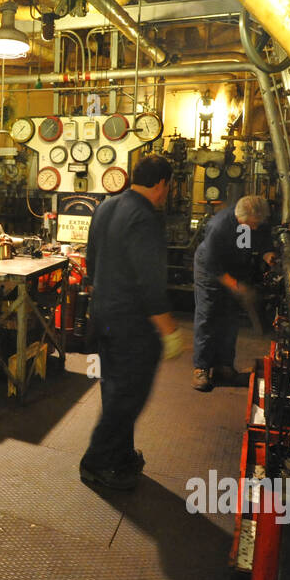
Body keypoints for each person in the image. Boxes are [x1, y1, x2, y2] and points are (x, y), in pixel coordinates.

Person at [80, 154, 184, 491]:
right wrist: (169, 330)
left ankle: (120, 456)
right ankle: (96, 463)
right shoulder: (146, 218)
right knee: (128, 395)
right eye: (168, 186)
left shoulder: (106, 207)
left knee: (114, 389)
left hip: (103, 315)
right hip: (132, 325)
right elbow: (149, 282)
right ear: (162, 184)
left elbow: (90, 261)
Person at [192, 194, 274, 392]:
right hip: (209, 271)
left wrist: (268, 254)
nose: (254, 228)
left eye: (256, 224)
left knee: (230, 318)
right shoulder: (219, 226)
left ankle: (224, 367)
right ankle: (201, 369)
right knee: (208, 316)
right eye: (251, 224)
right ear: (240, 218)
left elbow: (259, 239)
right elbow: (212, 264)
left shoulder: (251, 222)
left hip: (235, 269)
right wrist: (234, 285)